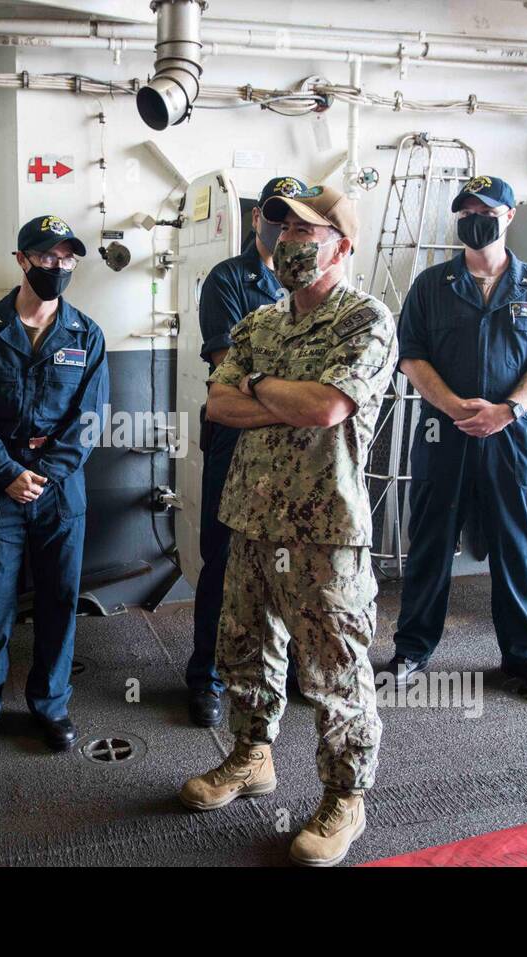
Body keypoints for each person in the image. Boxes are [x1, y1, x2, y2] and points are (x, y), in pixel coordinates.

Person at [178, 185, 397, 867]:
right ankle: (250, 756)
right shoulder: (261, 323)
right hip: (251, 515)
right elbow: (217, 403)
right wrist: (282, 397)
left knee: (334, 670)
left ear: (341, 243)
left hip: (324, 527)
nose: (287, 241)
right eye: (281, 228)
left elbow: (329, 407)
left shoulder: (366, 319)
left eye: (305, 231)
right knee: (243, 646)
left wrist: (261, 390)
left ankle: (345, 796)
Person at [387, 175, 527, 704]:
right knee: (429, 545)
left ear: (508, 215)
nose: (474, 218)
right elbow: (411, 355)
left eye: (484, 209)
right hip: (441, 434)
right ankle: (413, 650)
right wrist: (449, 405)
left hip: (511, 439)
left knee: (517, 549)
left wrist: (508, 410)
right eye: (465, 210)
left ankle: (526, 658)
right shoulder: (430, 285)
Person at [0, 215, 109, 766]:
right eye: (46, 258)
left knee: (60, 601)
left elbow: (89, 420)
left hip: (60, 493)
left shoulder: (87, 334)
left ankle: (50, 705)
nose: (57, 268)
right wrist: (8, 473)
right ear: (21, 260)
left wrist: (45, 475)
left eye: (67, 259)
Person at [186, 175, 307, 729]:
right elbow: (228, 371)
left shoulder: (314, 285)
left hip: (301, 450)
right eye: (276, 217)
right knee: (224, 561)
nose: (284, 230)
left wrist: (280, 388)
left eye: (296, 222)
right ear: (257, 216)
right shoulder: (229, 279)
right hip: (237, 442)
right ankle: (206, 677)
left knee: (290, 564)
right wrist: (296, 397)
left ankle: (285, 673)